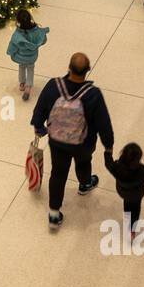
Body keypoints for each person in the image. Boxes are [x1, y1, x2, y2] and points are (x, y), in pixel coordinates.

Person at [31, 52, 114, 228]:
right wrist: (108, 145)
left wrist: (39, 127)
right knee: (83, 163)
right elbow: (103, 123)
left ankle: (54, 214)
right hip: (83, 144)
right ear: (87, 71)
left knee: (58, 173)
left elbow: (40, 109)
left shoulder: (54, 85)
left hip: (57, 141)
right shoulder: (93, 94)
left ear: (68, 67)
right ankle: (84, 184)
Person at [103, 142, 144, 233]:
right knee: (135, 210)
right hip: (137, 194)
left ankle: (127, 225)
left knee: (127, 205)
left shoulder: (117, 167)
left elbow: (108, 164)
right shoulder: (141, 170)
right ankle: (132, 230)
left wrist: (108, 152)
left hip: (123, 192)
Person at [6, 8, 49, 103]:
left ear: (18, 21)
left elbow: (13, 46)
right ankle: (28, 87)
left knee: (21, 67)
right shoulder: (36, 31)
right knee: (30, 69)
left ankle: (22, 84)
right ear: (30, 18)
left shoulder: (17, 35)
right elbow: (43, 39)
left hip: (21, 57)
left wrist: (10, 52)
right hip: (32, 57)